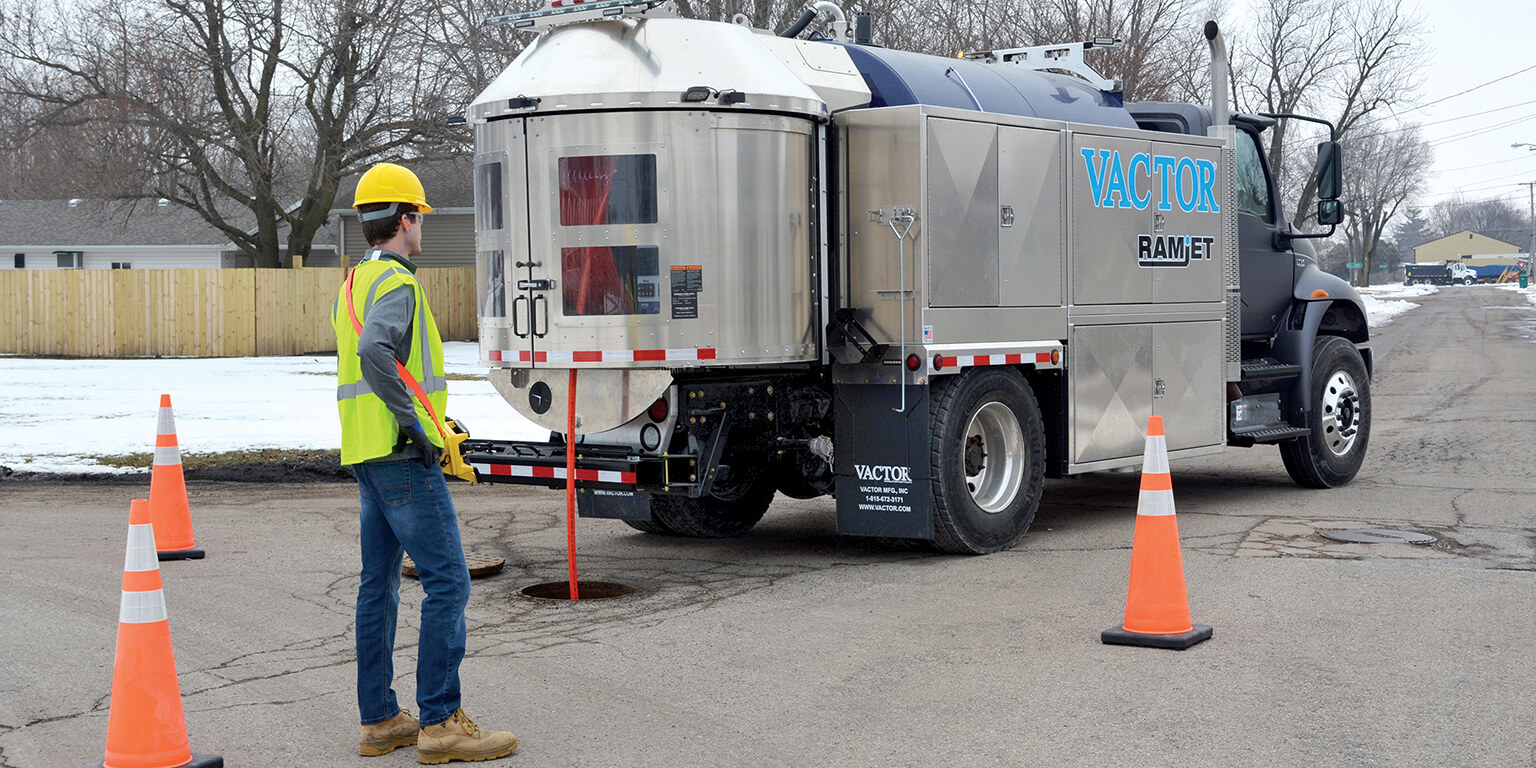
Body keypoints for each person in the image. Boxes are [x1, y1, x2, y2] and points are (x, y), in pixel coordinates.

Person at [333, 162, 518, 763]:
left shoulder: (354, 282)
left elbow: (374, 358)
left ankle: (380, 720)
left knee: (378, 587)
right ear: (406, 220)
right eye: (420, 217)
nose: (422, 227)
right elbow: (374, 351)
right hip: (402, 455)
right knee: (449, 582)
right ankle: (440, 723)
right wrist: (417, 428)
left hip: (367, 453)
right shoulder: (399, 283)